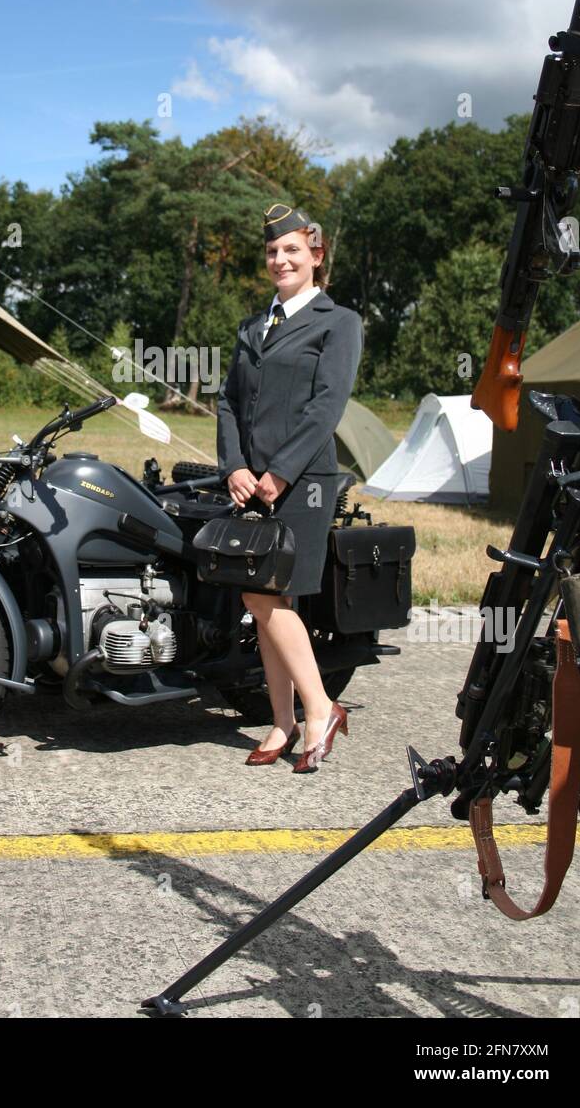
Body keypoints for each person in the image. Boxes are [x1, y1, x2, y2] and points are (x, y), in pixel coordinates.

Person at [217, 202, 364, 773]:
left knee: (270, 596)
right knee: (260, 600)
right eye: (274, 252)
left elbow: (328, 406)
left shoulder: (338, 322)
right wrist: (234, 465)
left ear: (316, 257)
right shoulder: (252, 326)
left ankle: (321, 709)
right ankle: (283, 722)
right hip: (249, 483)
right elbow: (229, 400)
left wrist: (278, 471)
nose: (281, 260)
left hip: (302, 482)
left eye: (293, 251)